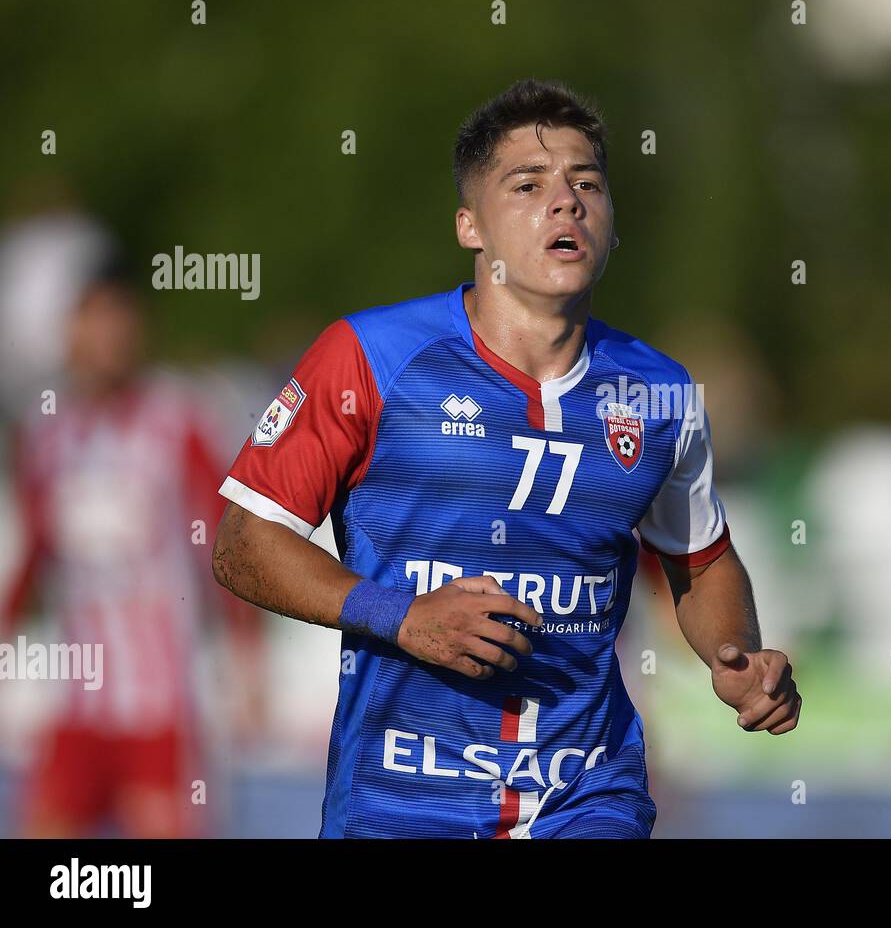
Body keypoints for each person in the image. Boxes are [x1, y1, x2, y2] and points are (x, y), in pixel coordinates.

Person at [211, 79, 801, 839]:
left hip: (589, 797)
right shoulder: (370, 358)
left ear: (613, 225)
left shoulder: (658, 393)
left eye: (587, 184)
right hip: (399, 804)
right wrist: (403, 616)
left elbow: (701, 558)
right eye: (528, 184)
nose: (566, 202)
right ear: (471, 226)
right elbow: (242, 544)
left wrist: (735, 656)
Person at [2, 260, 261, 837]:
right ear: (71, 330)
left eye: (120, 320)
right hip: (79, 709)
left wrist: (247, 653)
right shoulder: (47, 434)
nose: (109, 337)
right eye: (95, 321)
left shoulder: (175, 420)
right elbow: (37, 550)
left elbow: (227, 544)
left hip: (160, 710)